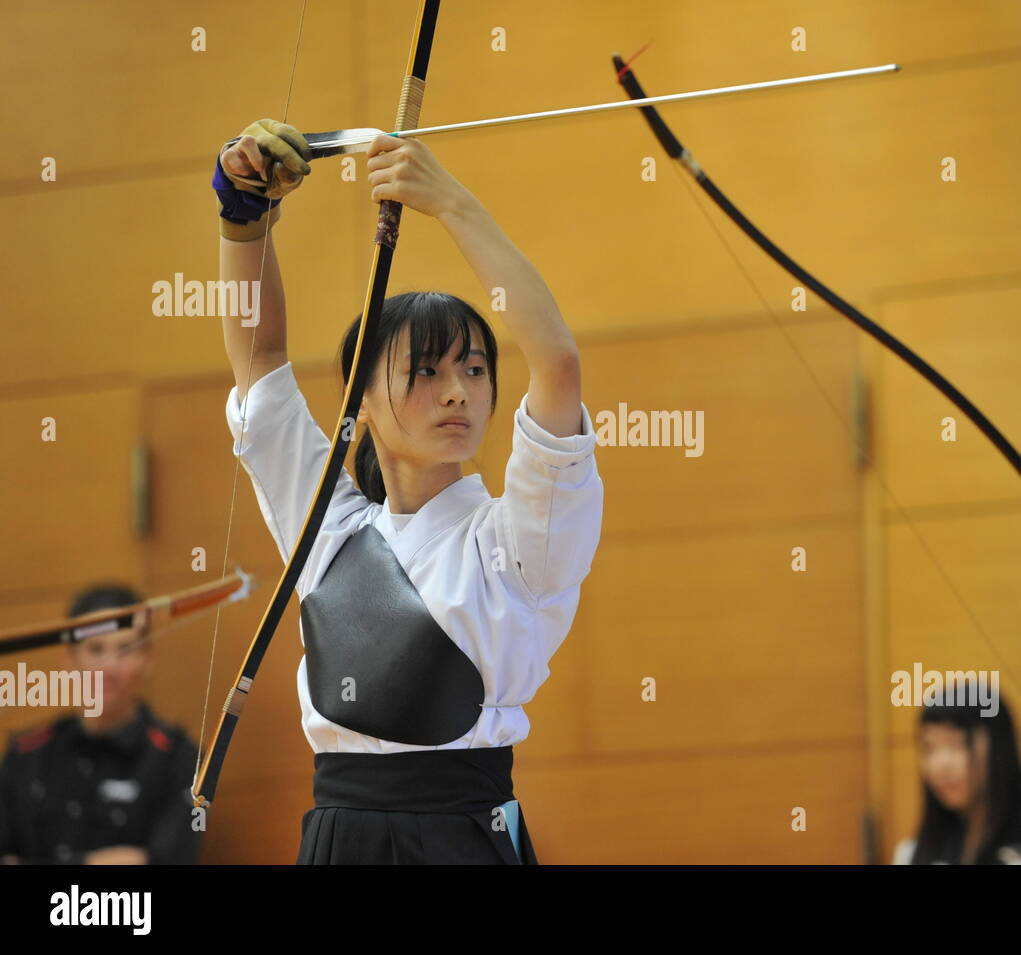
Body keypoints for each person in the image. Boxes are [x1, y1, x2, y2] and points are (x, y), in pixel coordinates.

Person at [213, 120, 603, 864]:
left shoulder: (516, 542)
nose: (457, 392)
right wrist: (244, 215)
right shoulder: (327, 527)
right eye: (425, 371)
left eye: (474, 368)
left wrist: (450, 202)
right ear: (359, 403)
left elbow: (556, 364)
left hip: (464, 836)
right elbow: (259, 357)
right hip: (336, 838)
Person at [0, 585, 200, 864]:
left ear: (147, 658)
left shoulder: (177, 759)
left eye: (126, 649)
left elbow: (168, 860)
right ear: (70, 659)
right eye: (96, 649)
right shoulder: (24, 756)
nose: (110, 667)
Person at [893, 695, 1021, 864]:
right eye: (928, 748)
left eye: (957, 743)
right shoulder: (912, 853)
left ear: (999, 748)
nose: (940, 764)